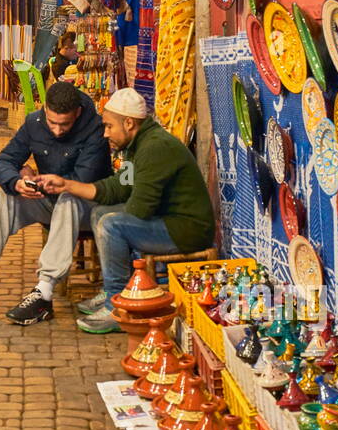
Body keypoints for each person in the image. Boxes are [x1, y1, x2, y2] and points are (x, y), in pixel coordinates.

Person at [38, 87, 215, 334]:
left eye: (109, 126)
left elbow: (140, 208)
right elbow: (120, 188)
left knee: (111, 224)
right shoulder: (136, 145)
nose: (105, 133)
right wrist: (67, 185)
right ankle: (115, 293)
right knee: (100, 214)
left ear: (129, 123)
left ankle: (119, 304)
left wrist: (117, 209)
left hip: (185, 230)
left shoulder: (154, 148)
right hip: (167, 222)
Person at [0, 79, 112, 324]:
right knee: (8, 194)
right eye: (52, 123)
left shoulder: (96, 130)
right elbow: (3, 162)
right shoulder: (34, 123)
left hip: (88, 209)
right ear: (45, 110)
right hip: (49, 200)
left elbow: (81, 180)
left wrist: (38, 179)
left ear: (77, 113)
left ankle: (44, 293)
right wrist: (18, 181)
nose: (57, 130)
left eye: (64, 124)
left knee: (69, 198)